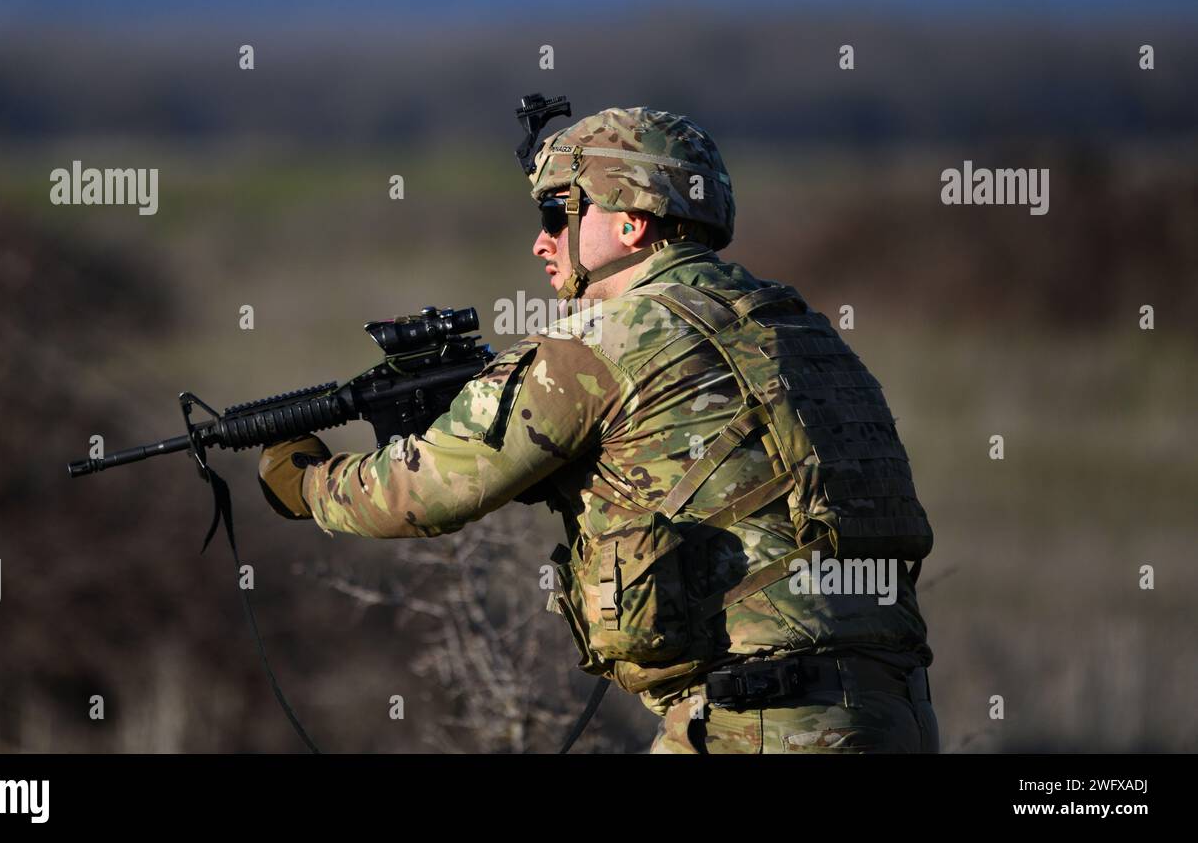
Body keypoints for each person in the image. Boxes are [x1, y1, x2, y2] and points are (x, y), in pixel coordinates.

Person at [258, 105, 939, 753]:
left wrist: (308, 483)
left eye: (558, 211)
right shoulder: (803, 330)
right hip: (896, 714)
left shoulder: (602, 341)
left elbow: (426, 490)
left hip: (755, 722)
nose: (541, 239)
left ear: (631, 225)